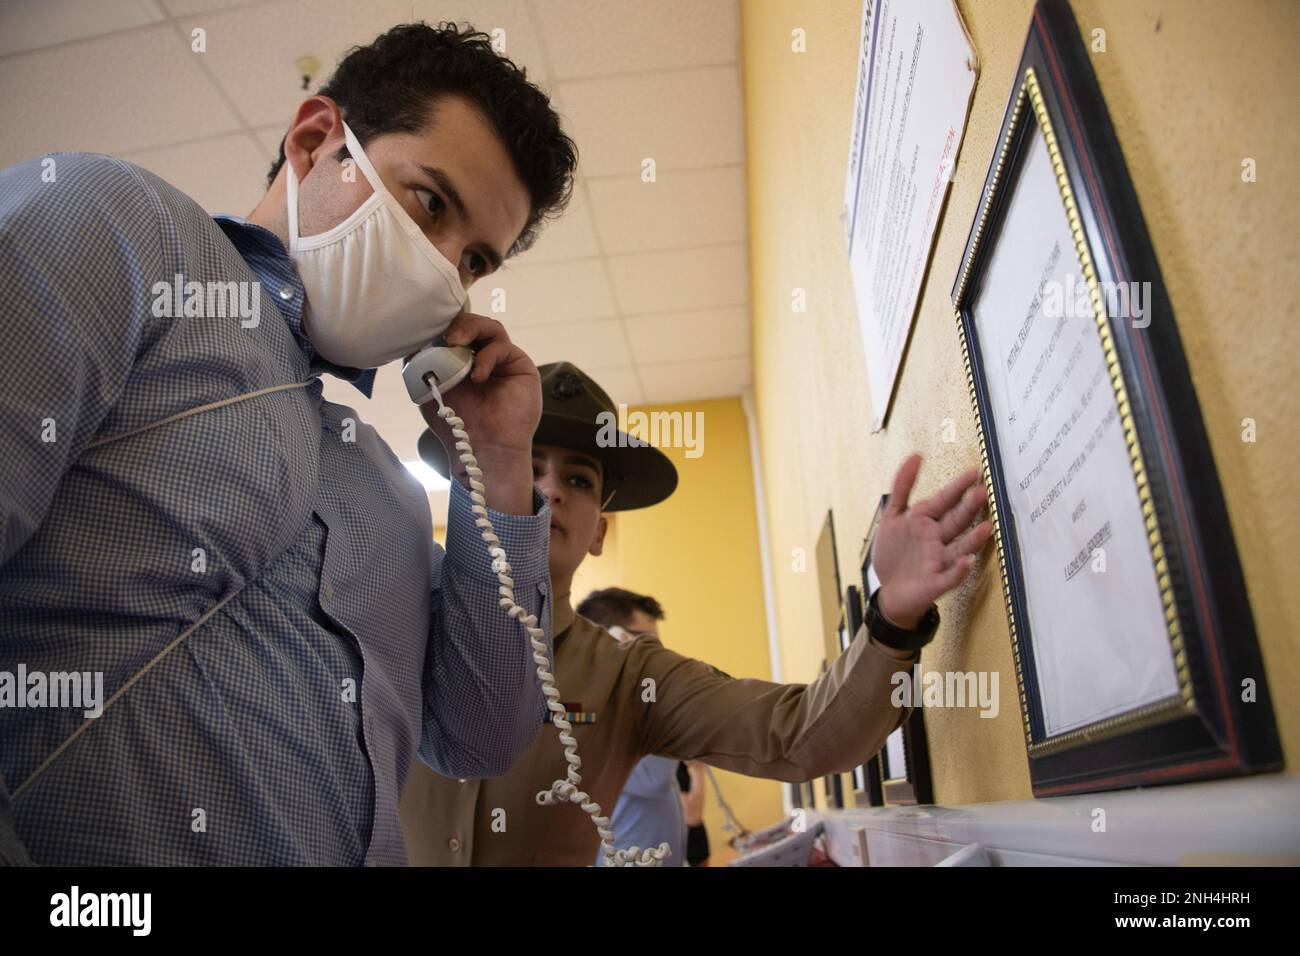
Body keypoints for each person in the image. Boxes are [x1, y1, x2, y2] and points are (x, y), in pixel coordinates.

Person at [0, 23, 578, 865]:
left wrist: (494, 466)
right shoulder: (117, 226)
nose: (446, 270)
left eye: (475, 258)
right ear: (315, 143)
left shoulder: (389, 494)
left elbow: (478, 738)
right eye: (431, 204)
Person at [399, 362, 992, 866]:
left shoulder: (629, 677)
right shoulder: (393, 618)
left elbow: (798, 736)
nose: (550, 489)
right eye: (528, 466)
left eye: (577, 479)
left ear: (599, 533)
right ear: (476, 487)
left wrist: (891, 618)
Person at [576, 588, 687, 867]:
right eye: (649, 644)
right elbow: (653, 779)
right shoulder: (589, 713)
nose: (658, 656)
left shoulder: (631, 702)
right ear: (611, 637)